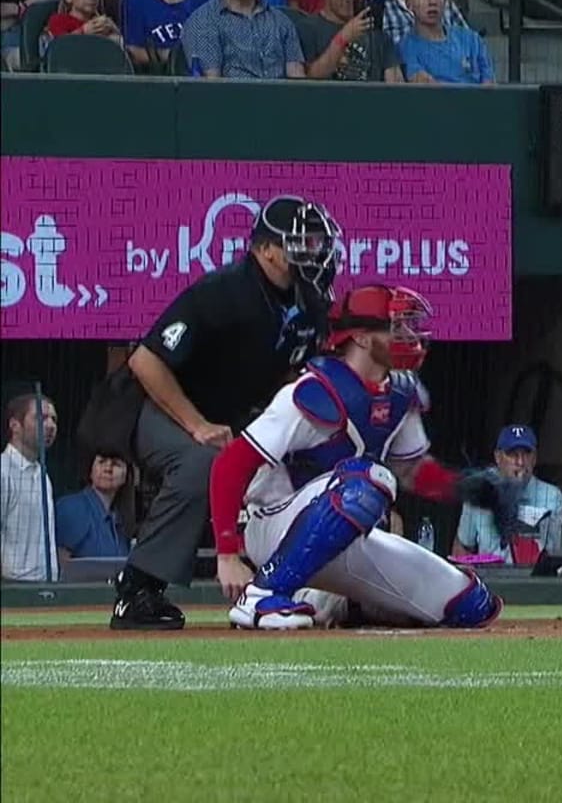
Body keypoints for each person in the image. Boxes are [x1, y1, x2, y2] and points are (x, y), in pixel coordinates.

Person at [102, 195, 339, 630]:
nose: (313, 251)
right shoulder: (223, 292)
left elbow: (291, 372)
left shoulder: (311, 300)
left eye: (316, 242)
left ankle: (286, 584)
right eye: (300, 242)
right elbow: (145, 361)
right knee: (202, 462)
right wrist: (196, 425)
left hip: (236, 413)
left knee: (299, 460)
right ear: (265, 248)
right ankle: (137, 587)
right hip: (160, 405)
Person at [206, 285, 503, 630]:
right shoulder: (312, 390)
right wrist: (227, 554)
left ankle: (328, 602)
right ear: (361, 338)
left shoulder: (400, 393)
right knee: (369, 480)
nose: (408, 336)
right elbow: (230, 465)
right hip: (275, 526)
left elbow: (413, 473)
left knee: (470, 604)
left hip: (348, 530)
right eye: (396, 327)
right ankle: (262, 596)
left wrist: (467, 487)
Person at [452, 424, 562, 562]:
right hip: (490, 578)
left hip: (533, 579)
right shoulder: (480, 492)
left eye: (526, 454)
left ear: (535, 458)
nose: (520, 462)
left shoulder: (552, 496)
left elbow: (554, 553)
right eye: (512, 454)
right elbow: (463, 547)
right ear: (498, 458)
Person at [0, 389, 58, 582]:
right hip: (12, 590)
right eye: (41, 418)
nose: (50, 425)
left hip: (44, 589)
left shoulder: (42, 475)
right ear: (15, 425)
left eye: (53, 419)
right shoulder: (3, 470)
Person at [53, 451, 133, 559]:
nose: (108, 469)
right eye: (101, 462)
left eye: (116, 464)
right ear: (91, 471)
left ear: (126, 475)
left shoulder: (119, 519)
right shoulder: (72, 508)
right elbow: (59, 566)